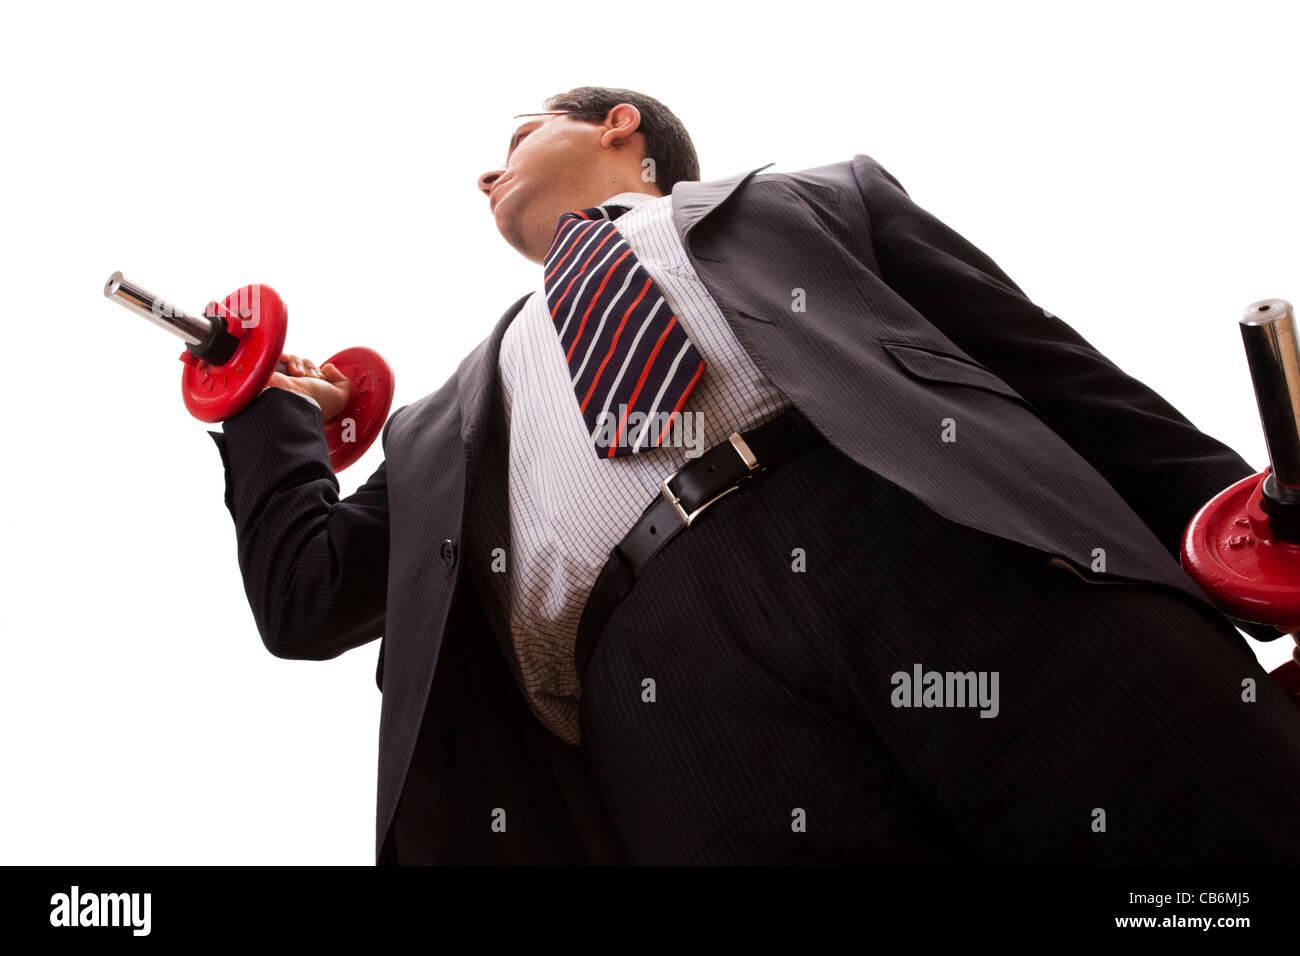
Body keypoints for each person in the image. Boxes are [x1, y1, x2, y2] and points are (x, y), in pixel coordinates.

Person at [210, 86, 1300, 865]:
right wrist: (264, 410)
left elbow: (1051, 370)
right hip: (664, 698)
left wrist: (1265, 547)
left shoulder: (811, 200)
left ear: (618, 126)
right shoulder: (445, 421)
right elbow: (304, 596)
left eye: (521, 130)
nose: (486, 168)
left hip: (936, 540)